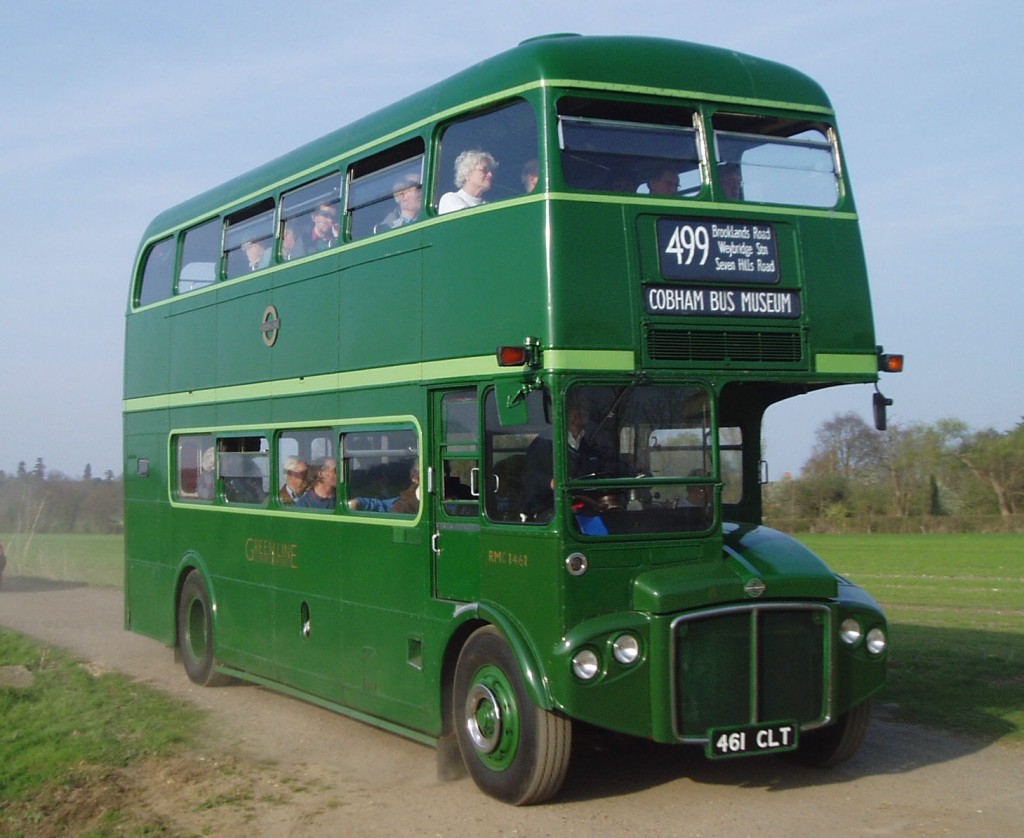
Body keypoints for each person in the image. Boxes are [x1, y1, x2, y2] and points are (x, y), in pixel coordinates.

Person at [438, 150, 496, 214]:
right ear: (467, 174)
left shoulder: (488, 206)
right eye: (484, 170)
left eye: (491, 171)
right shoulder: (450, 199)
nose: (490, 175)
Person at [348, 462, 420, 514]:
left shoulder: (402, 498)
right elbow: (383, 505)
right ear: (414, 477)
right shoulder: (402, 506)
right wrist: (360, 502)